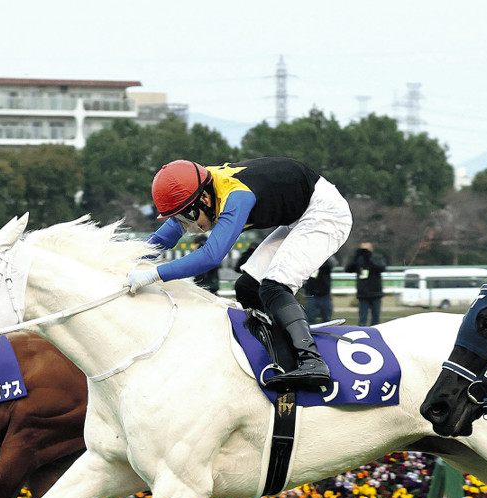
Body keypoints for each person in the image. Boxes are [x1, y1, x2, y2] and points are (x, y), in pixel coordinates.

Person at [127, 158, 352, 390]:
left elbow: (211, 256)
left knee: (274, 286)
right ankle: (280, 357)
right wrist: (126, 261)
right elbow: (162, 239)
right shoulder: (200, 193)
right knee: (247, 287)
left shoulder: (236, 196)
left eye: (186, 217)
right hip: (297, 215)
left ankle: (312, 361)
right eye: (178, 218)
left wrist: (154, 274)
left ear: (204, 199)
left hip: (325, 212)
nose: (186, 226)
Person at [344, 241, 386, 325]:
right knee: (362, 318)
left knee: (375, 318)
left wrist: (369, 257)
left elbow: (381, 268)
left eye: (366, 249)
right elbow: (348, 269)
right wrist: (356, 256)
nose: (364, 251)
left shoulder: (377, 257)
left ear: (371, 249)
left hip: (375, 292)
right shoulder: (359, 259)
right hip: (362, 293)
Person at [302, 257, 335, 324]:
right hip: (311, 295)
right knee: (310, 319)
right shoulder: (307, 263)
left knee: (326, 320)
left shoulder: (326, 262)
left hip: (325, 295)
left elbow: (332, 264)